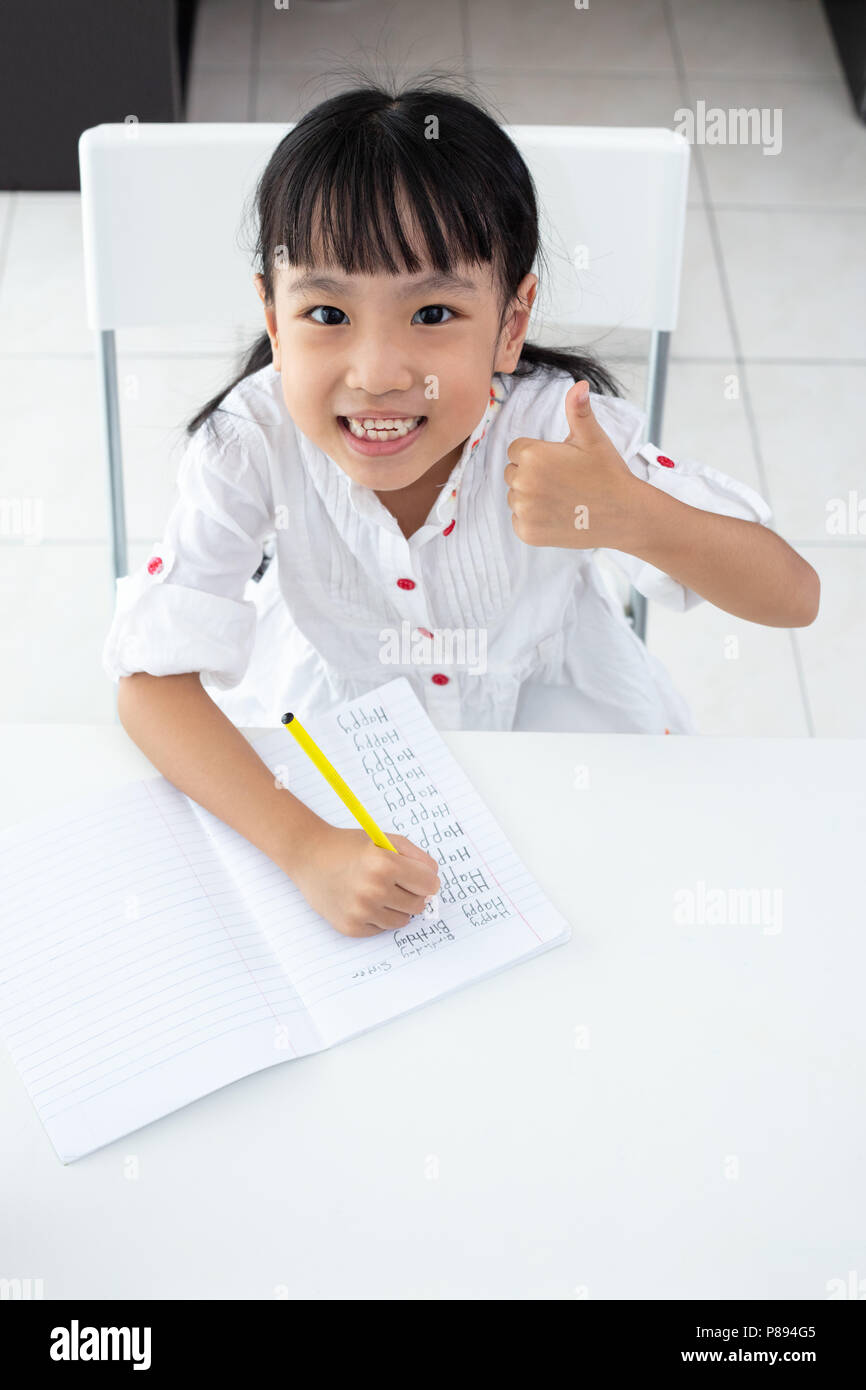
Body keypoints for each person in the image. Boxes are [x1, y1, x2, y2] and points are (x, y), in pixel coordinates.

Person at [104, 77, 819, 939]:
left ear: (512, 323)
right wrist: (304, 847)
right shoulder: (249, 439)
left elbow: (793, 596)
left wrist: (627, 514)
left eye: (433, 312)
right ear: (272, 313)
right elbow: (150, 687)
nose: (378, 372)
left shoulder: (562, 428)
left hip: (563, 744)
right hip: (339, 748)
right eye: (326, 312)